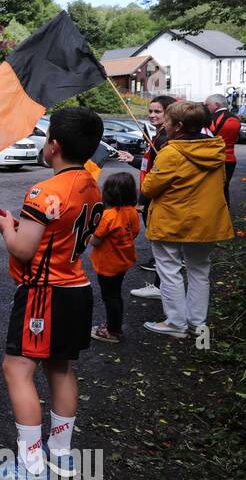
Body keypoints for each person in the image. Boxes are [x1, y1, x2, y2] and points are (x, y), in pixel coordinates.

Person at [0, 106, 105, 480]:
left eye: (47, 137)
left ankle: (31, 468)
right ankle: (60, 454)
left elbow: (22, 249)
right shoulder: (90, 183)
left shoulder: (45, 191)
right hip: (77, 288)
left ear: (54, 146)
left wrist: (6, 227)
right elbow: (57, 235)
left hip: (44, 294)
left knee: (17, 369)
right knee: (61, 368)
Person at [141, 100, 233, 338]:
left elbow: (149, 188)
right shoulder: (216, 148)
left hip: (172, 220)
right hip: (206, 220)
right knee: (200, 271)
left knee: (169, 270)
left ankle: (175, 323)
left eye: (168, 121)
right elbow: (222, 183)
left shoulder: (171, 152)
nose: (166, 125)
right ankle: (196, 322)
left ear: (178, 126)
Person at [129, 95, 176, 301]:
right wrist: (133, 159)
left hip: (155, 198)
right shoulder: (158, 136)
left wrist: (141, 201)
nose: (152, 115)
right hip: (151, 196)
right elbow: (148, 165)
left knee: (162, 248)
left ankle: (161, 288)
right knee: (159, 247)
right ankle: (160, 284)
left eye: (158, 112)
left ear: (169, 114)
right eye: (150, 111)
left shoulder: (165, 138)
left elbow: (158, 173)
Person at [88, 171, 140, 343]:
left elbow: (96, 241)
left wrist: (86, 234)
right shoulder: (132, 212)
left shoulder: (108, 216)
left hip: (108, 264)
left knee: (110, 297)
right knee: (115, 295)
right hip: (123, 261)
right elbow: (134, 233)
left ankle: (112, 331)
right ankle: (114, 326)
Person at [205, 93, 241, 202]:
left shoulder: (212, 119)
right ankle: (226, 214)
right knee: (224, 188)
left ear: (216, 105)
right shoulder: (235, 118)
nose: (206, 108)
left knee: (213, 190)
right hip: (231, 159)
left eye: (207, 105)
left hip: (215, 158)